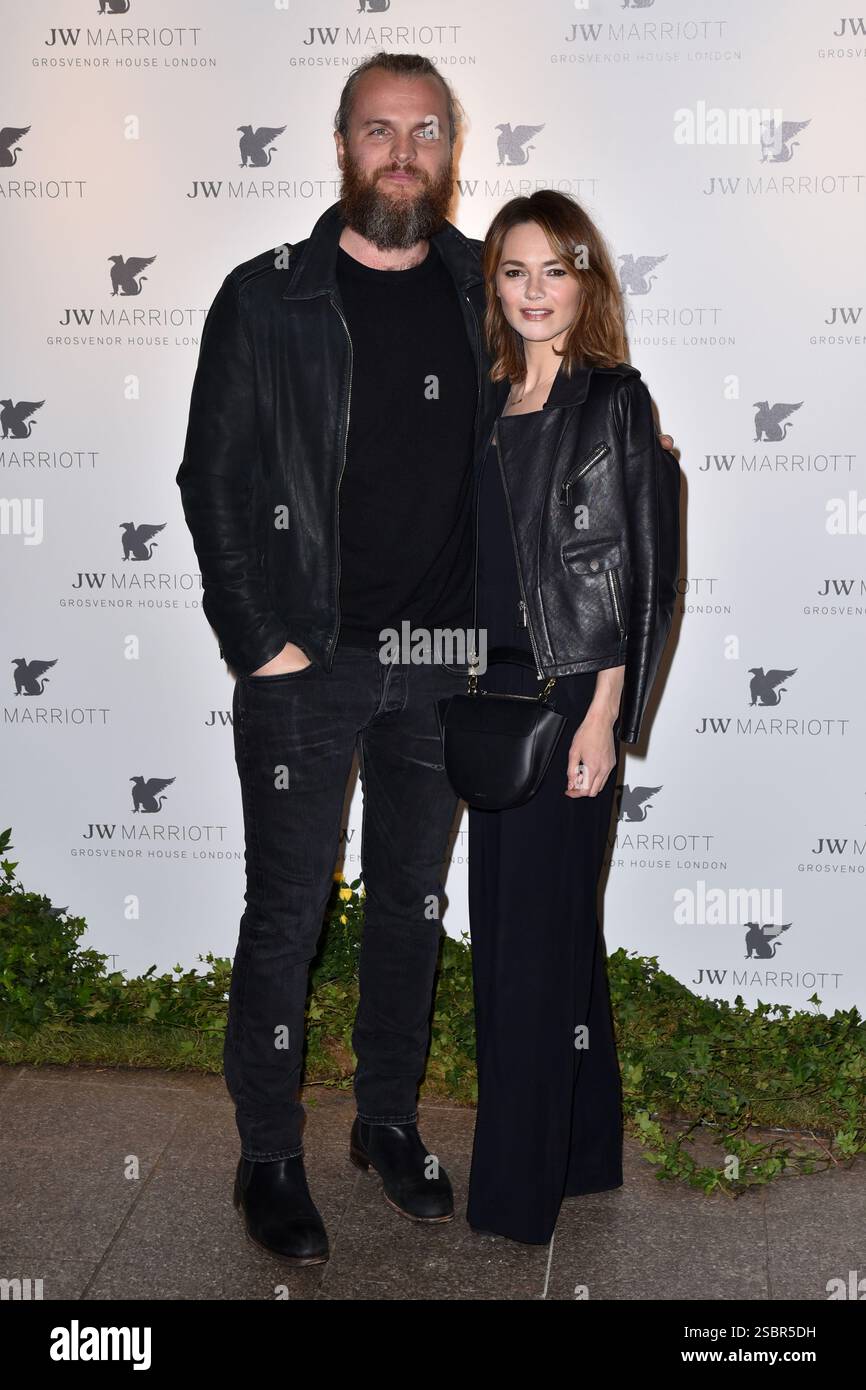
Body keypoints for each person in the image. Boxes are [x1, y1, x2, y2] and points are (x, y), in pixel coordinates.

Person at [176, 52, 676, 1266]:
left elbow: (556, 403)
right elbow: (213, 479)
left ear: (451, 151)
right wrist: (261, 642)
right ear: (341, 144)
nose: (401, 152)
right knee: (288, 912)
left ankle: (386, 1122)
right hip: (308, 660)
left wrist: (634, 450)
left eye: (424, 131)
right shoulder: (267, 297)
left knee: (409, 904)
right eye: (378, 130)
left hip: (443, 657)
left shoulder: (475, 281)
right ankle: (269, 1153)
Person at [463, 190, 680, 1244]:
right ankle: (584, 1149)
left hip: (569, 698)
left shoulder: (615, 402)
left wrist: (606, 714)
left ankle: (513, 1198)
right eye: (515, 270)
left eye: (555, 269)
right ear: (494, 286)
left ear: (586, 282)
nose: (534, 290)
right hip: (489, 697)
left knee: (531, 952)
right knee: (535, 932)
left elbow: (636, 572)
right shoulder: (483, 401)